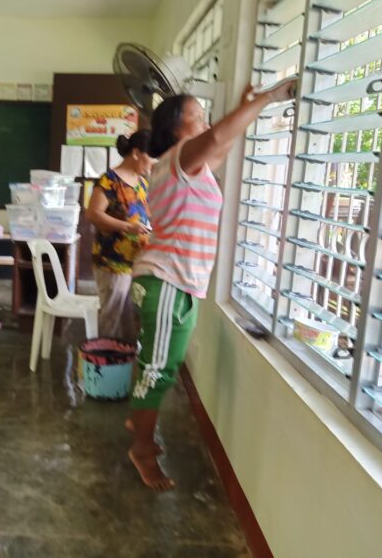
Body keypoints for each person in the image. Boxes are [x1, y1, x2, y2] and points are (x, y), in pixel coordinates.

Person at [127, 80, 296, 490]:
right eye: (197, 117)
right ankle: (142, 449)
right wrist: (267, 98)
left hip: (173, 282)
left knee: (157, 365)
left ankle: (139, 417)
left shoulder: (186, 164)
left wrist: (246, 110)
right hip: (168, 282)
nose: (205, 122)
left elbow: (222, 143)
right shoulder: (180, 158)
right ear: (177, 129)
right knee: (159, 370)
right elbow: (219, 136)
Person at [86, 131, 154, 342]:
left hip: (136, 264)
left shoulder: (142, 182)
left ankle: (123, 366)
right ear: (135, 153)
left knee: (130, 321)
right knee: (112, 318)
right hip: (112, 263)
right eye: (150, 156)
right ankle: (106, 366)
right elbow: (93, 214)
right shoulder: (109, 181)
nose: (152, 163)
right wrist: (127, 227)